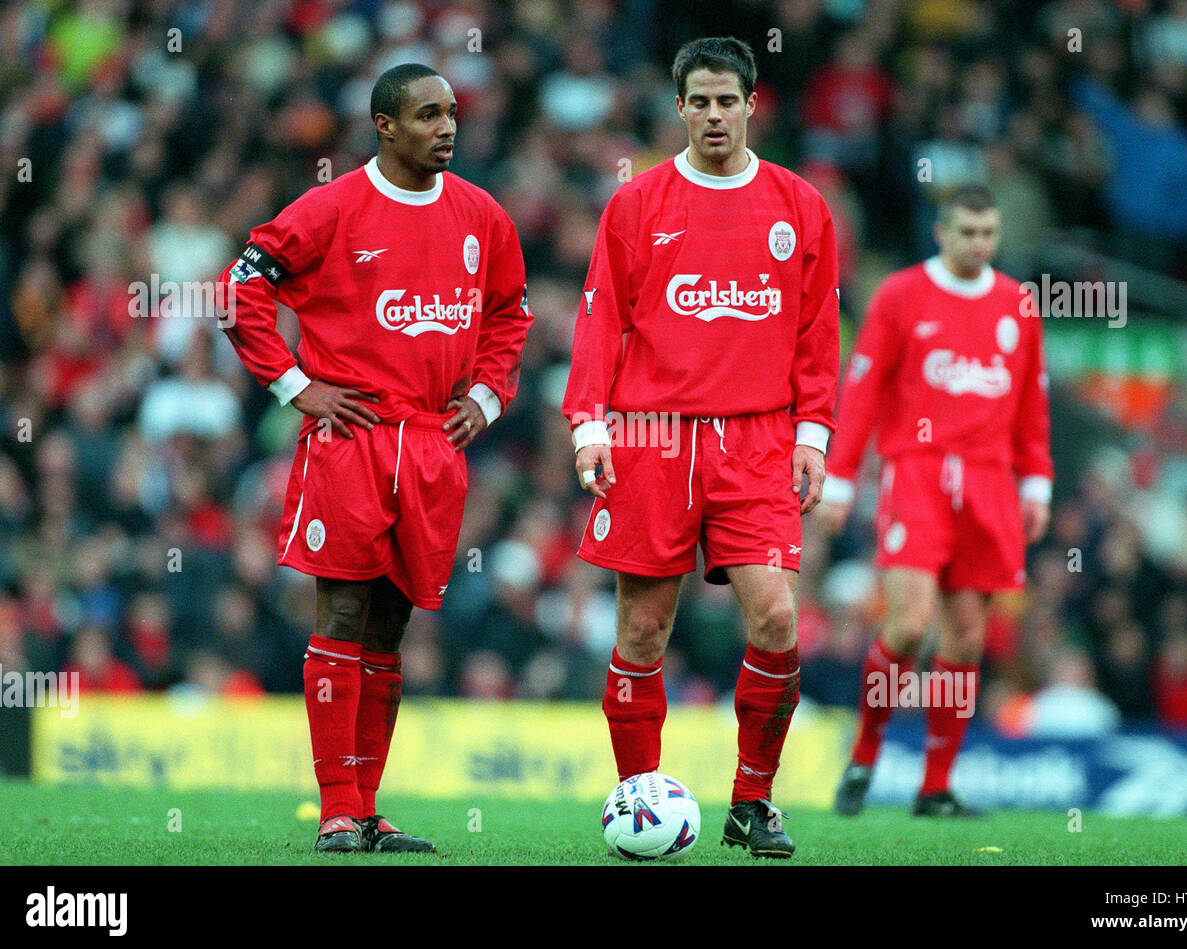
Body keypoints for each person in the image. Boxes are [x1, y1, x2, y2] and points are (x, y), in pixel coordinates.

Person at [218, 64, 532, 852]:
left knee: (390, 630)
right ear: (385, 126)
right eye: (429, 115)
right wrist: (297, 386)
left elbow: (509, 314)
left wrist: (486, 399)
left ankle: (366, 807)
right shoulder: (332, 208)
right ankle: (335, 808)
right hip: (352, 438)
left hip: (431, 442)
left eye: (453, 113)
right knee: (343, 614)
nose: (448, 128)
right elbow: (241, 288)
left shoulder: (482, 217)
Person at [562, 36, 841, 858]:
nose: (714, 115)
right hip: (652, 438)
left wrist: (814, 434)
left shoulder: (800, 206)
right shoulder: (637, 204)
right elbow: (599, 319)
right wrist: (589, 425)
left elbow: (816, 332)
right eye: (700, 101)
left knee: (779, 618)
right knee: (642, 635)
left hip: (756, 438)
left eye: (729, 100)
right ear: (679, 107)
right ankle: (640, 800)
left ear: (752, 105)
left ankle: (752, 802)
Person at [817, 184, 1052, 817]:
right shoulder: (900, 296)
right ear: (941, 233)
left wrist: (1036, 481)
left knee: (969, 635)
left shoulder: (1017, 305)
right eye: (968, 232)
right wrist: (840, 478)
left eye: (989, 233)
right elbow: (862, 387)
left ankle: (935, 785)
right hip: (917, 473)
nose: (979, 244)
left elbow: (1032, 400)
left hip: (989, 478)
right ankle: (865, 752)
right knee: (910, 622)